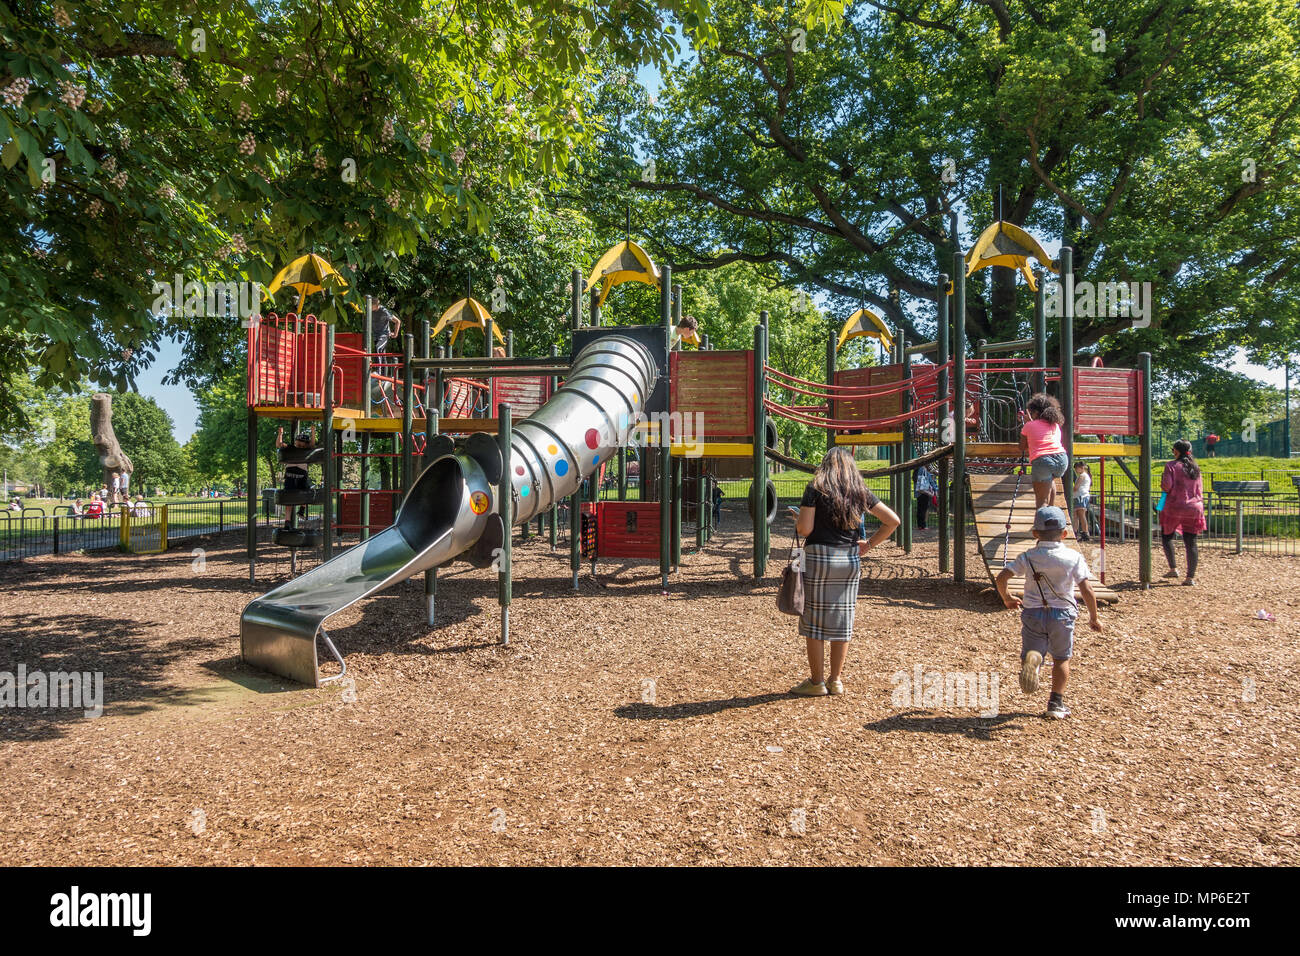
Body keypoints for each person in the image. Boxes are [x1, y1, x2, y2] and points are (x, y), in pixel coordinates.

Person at [790, 447, 901, 697]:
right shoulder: (859, 491)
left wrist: (798, 520)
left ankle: (817, 682)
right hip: (850, 559)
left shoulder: (815, 487)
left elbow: (805, 529)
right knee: (843, 619)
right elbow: (893, 521)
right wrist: (869, 544)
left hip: (819, 557)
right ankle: (836, 680)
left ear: (825, 464)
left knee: (814, 621)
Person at [996, 506, 1103, 720]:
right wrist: (1094, 617)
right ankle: (1056, 703)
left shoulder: (1028, 556)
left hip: (1033, 612)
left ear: (1035, 533)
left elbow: (1001, 577)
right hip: (1062, 614)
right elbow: (1087, 589)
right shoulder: (1072, 557)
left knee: (1033, 650)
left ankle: (1033, 663)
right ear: (1064, 534)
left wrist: (1007, 598)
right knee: (1062, 658)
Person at [1160, 439, 1206, 586]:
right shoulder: (1195, 468)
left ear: (1176, 451)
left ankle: (1173, 568)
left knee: (1166, 536)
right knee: (1191, 542)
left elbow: (1167, 486)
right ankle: (1190, 577)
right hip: (1194, 508)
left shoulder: (1171, 466)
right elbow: (1200, 489)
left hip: (1175, 506)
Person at [1019, 393, 1069, 509]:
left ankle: (1041, 524)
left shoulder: (1029, 425)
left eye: (1031, 413)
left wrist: (1027, 423)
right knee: (1050, 480)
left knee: (1040, 502)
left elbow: (1022, 447)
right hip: (1062, 460)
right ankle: (1051, 513)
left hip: (1043, 460)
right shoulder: (1055, 425)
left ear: (1036, 413)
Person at [276, 425, 316, 528]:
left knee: (308, 492)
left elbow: (312, 444)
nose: (301, 445)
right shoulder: (291, 448)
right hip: (290, 475)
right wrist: (280, 434)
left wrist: (313, 432)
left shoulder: (307, 451)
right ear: (296, 442)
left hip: (302, 475)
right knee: (289, 499)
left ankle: (301, 510)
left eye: (303, 444)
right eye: (299, 443)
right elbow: (279, 445)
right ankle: (287, 522)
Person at [1072, 460, 1093, 542]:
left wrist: (1071, 490)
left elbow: (1076, 487)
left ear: (1081, 468)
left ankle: (1084, 532)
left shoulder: (1082, 476)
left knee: (1080, 515)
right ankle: (1080, 532)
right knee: (1078, 515)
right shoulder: (1085, 476)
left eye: (1076, 468)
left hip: (1080, 496)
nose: (1076, 470)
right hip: (1081, 496)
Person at [914, 464, 937, 530]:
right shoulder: (922, 469)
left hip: (922, 492)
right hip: (924, 492)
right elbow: (922, 481)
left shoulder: (922, 469)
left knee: (921, 508)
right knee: (923, 509)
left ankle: (921, 525)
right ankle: (922, 525)